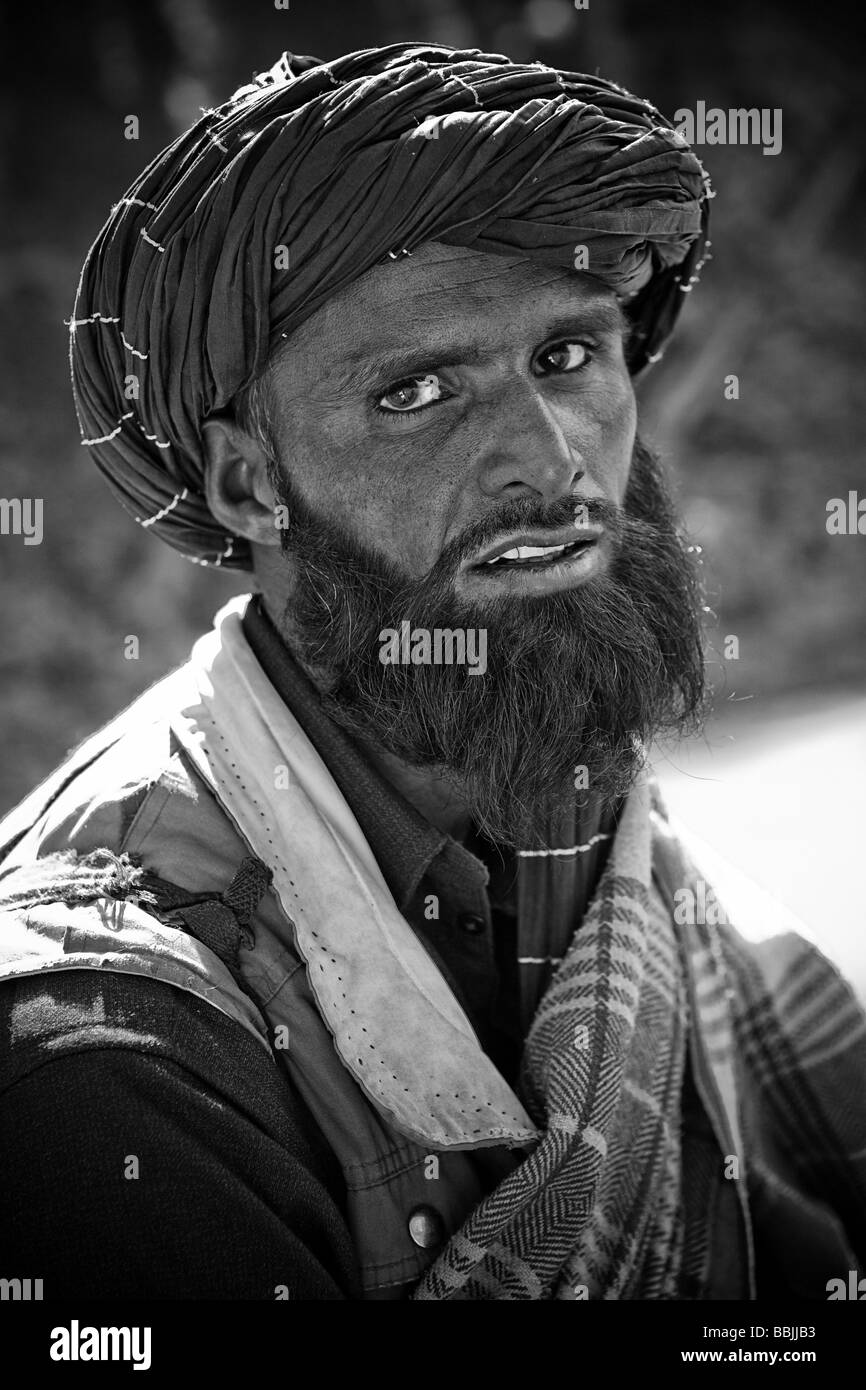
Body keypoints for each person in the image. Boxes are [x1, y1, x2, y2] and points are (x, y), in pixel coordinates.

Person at [0, 43, 863, 1302]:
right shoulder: (105, 1069)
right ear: (252, 486)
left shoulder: (570, 808)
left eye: (567, 357)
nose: (547, 458)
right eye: (415, 391)